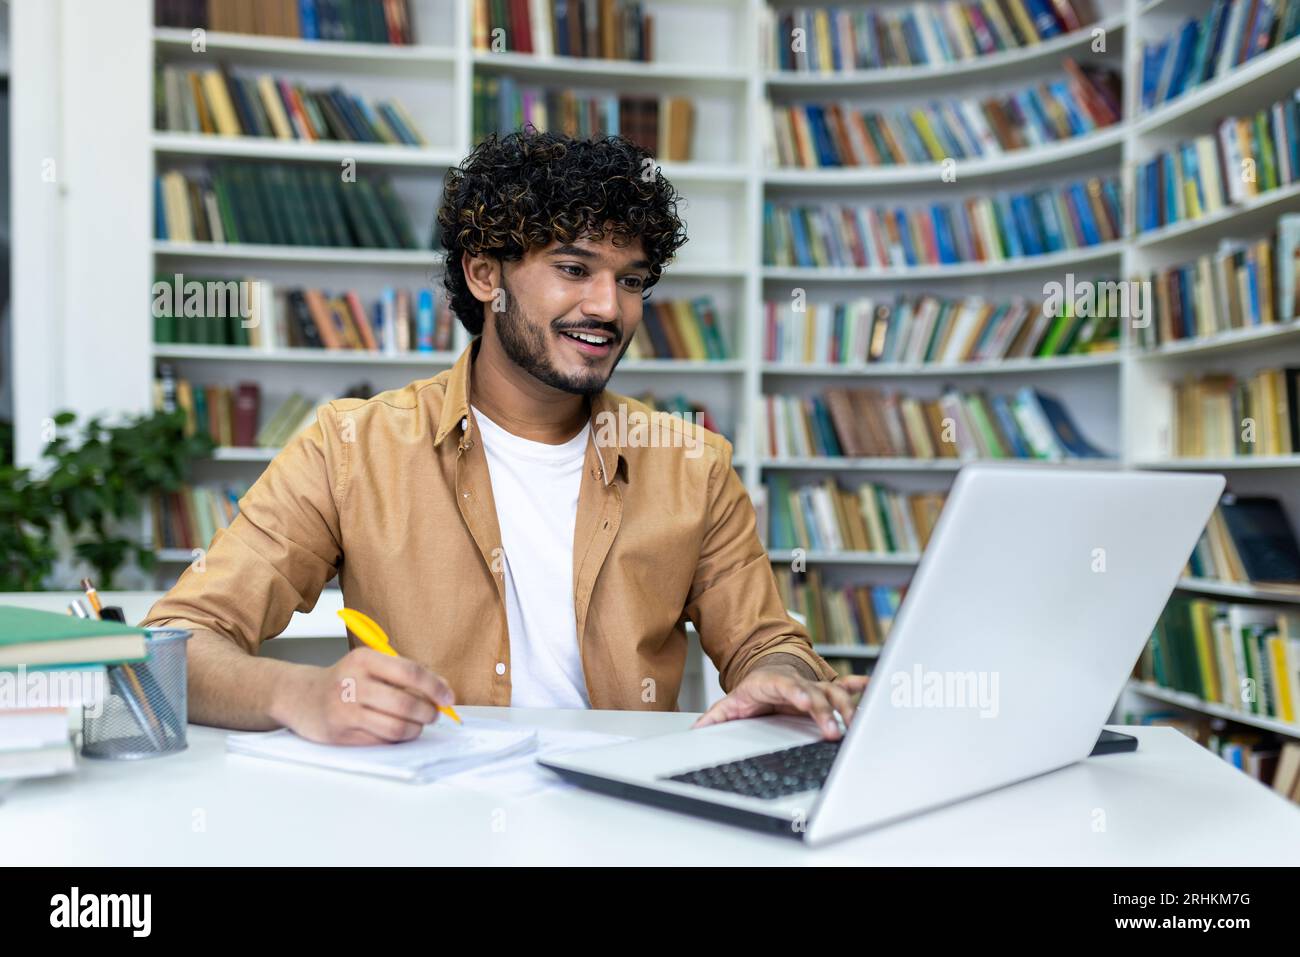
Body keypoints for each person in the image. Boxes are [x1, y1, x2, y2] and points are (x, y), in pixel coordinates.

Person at [141, 127, 867, 745]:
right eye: (575, 268)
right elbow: (177, 642)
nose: (608, 307)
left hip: (626, 824)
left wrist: (787, 680)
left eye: (632, 279)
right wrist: (296, 694)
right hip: (430, 825)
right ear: (485, 273)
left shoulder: (693, 465)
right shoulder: (352, 447)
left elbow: (767, 642)